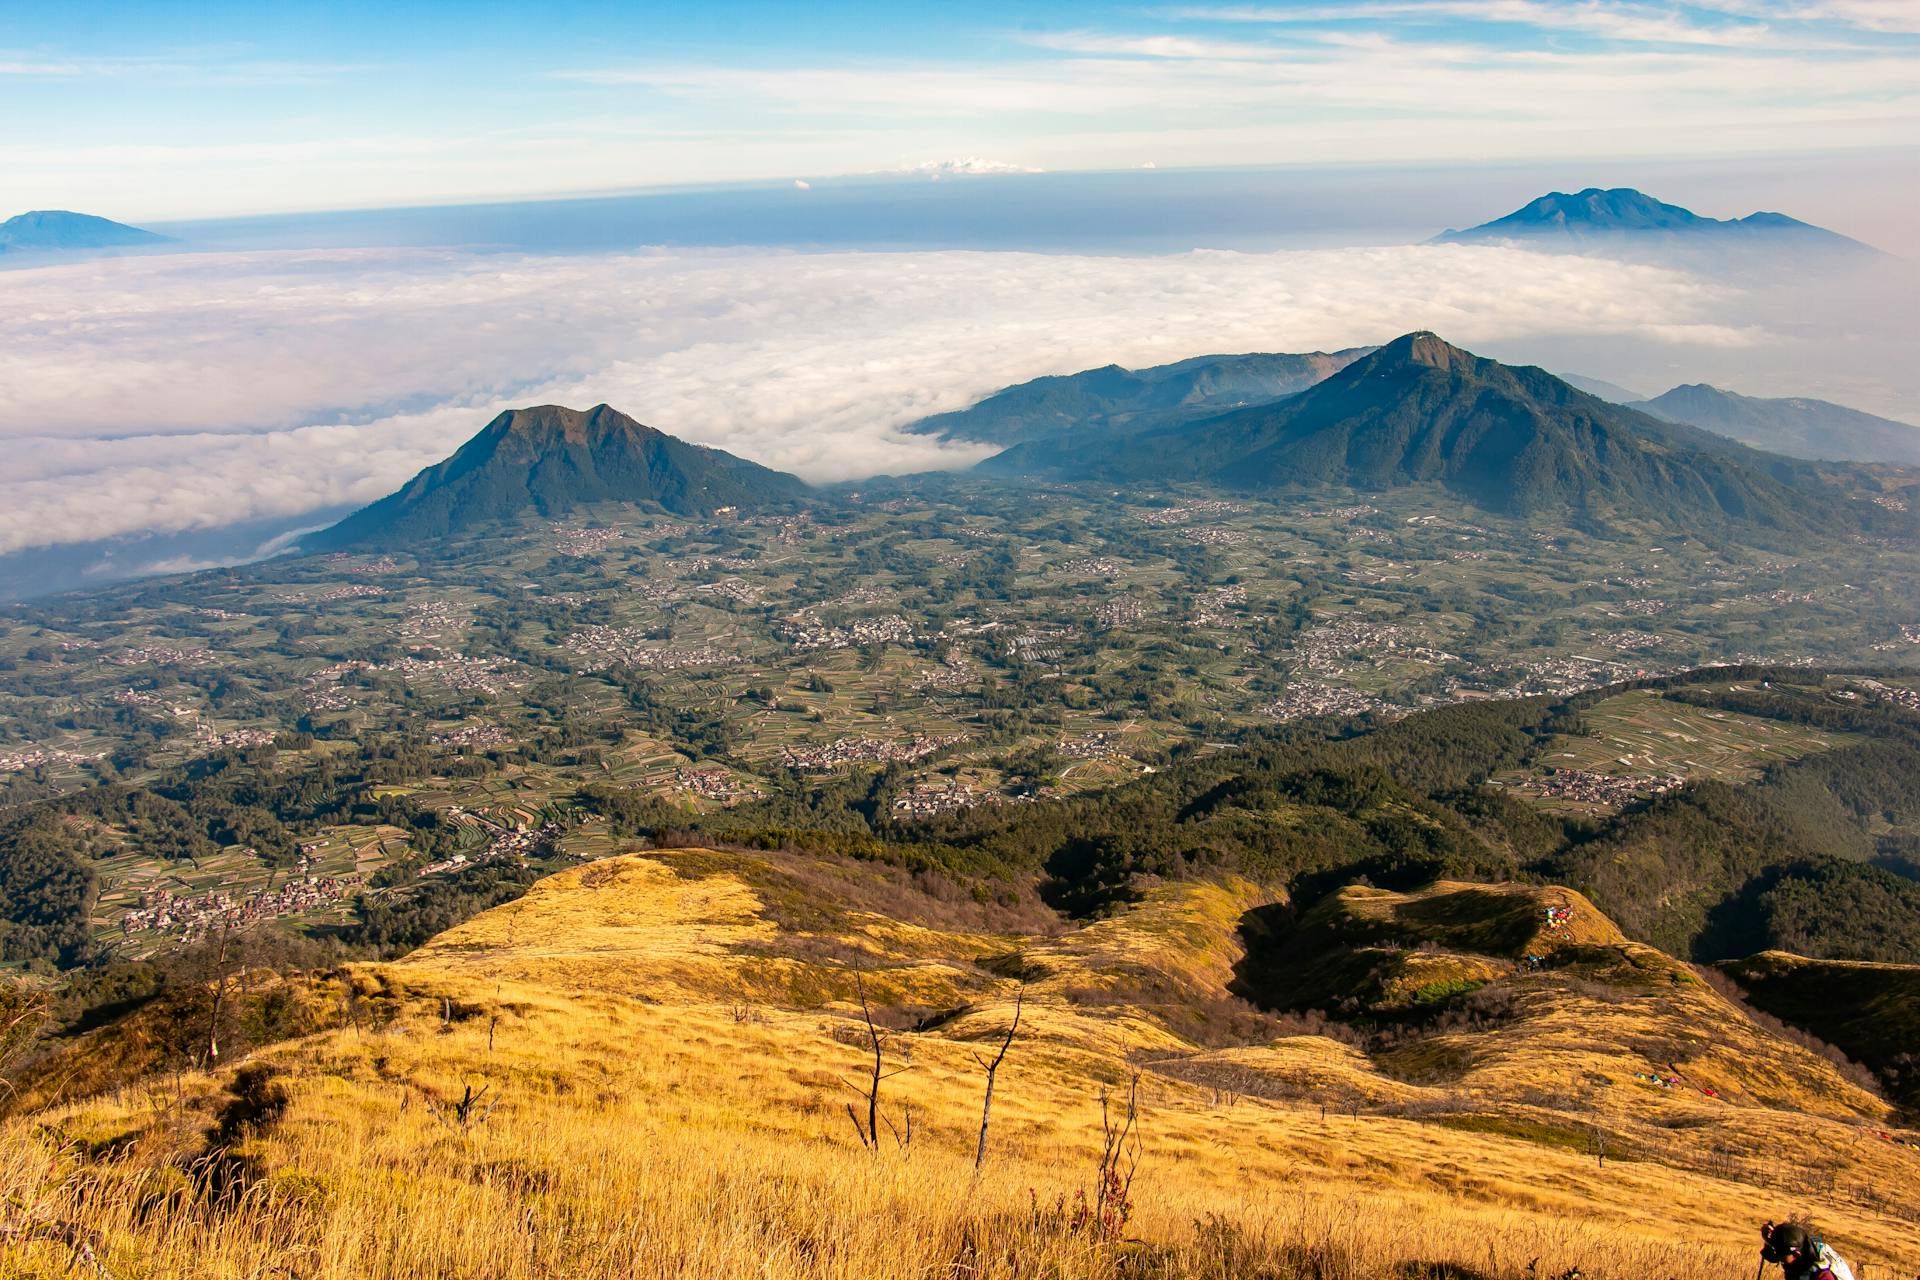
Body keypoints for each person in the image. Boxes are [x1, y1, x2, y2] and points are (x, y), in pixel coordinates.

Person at [1760, 1222, 1856, 1280]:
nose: (1780, 1259)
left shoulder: (1821, 1275)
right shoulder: (1806, 1246)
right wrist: (1772, 1239)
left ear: (1796, 1254)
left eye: (1782, 1257)